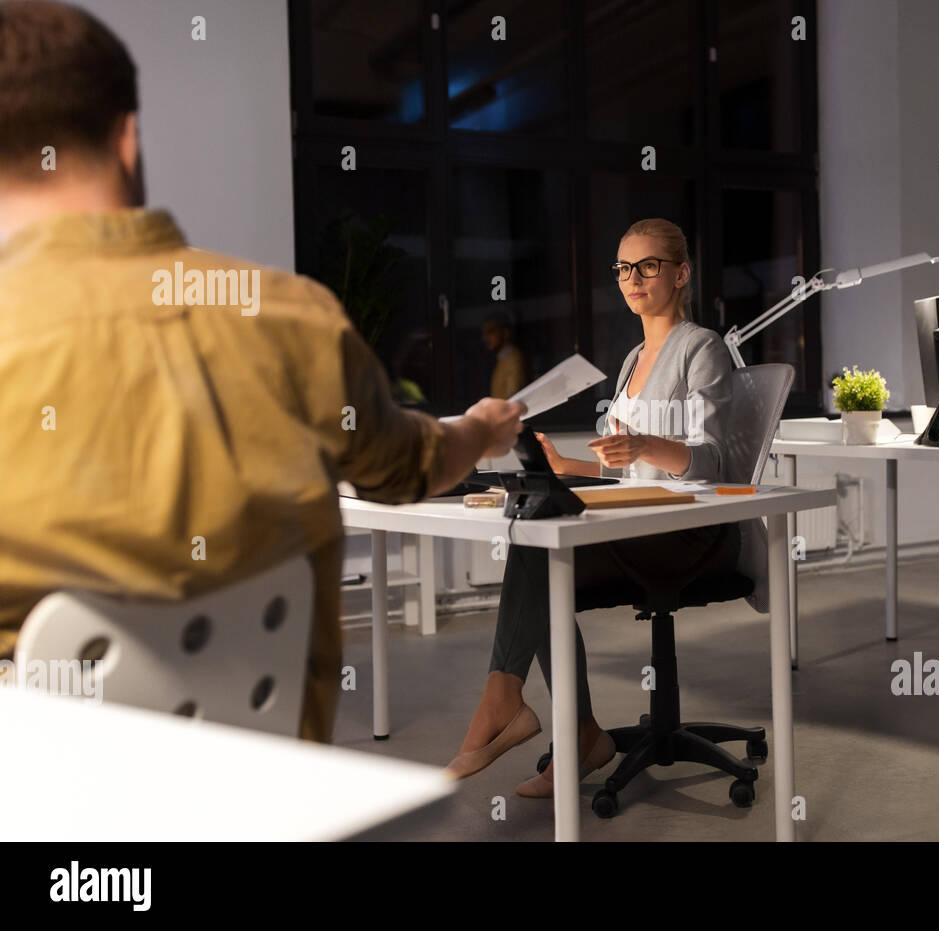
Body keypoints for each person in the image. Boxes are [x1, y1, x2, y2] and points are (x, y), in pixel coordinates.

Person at [0, 0, 524, 740]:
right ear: (128, 139)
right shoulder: (289, 315)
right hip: (270, 792)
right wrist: (478, 428)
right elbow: (412, 467)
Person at [447, 218, 745, 797]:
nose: (633, 278)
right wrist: (567, 468)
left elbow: (712, 464)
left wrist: (644, 446)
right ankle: (572, 729)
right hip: (638, 521)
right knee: (537, 545)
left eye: (649, 265)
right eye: (624, 268)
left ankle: (523, 709)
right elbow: (621, 469)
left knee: (539, 552)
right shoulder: (634, 356)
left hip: (694, 533)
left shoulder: (702, 349)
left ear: (681, 273)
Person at [482, 314, 529, 399]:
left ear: (505, 333)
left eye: (491, 331)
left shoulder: (513, 359)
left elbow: (512, 398)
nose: (486, 337)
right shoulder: (503, 359)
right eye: (484, 333)